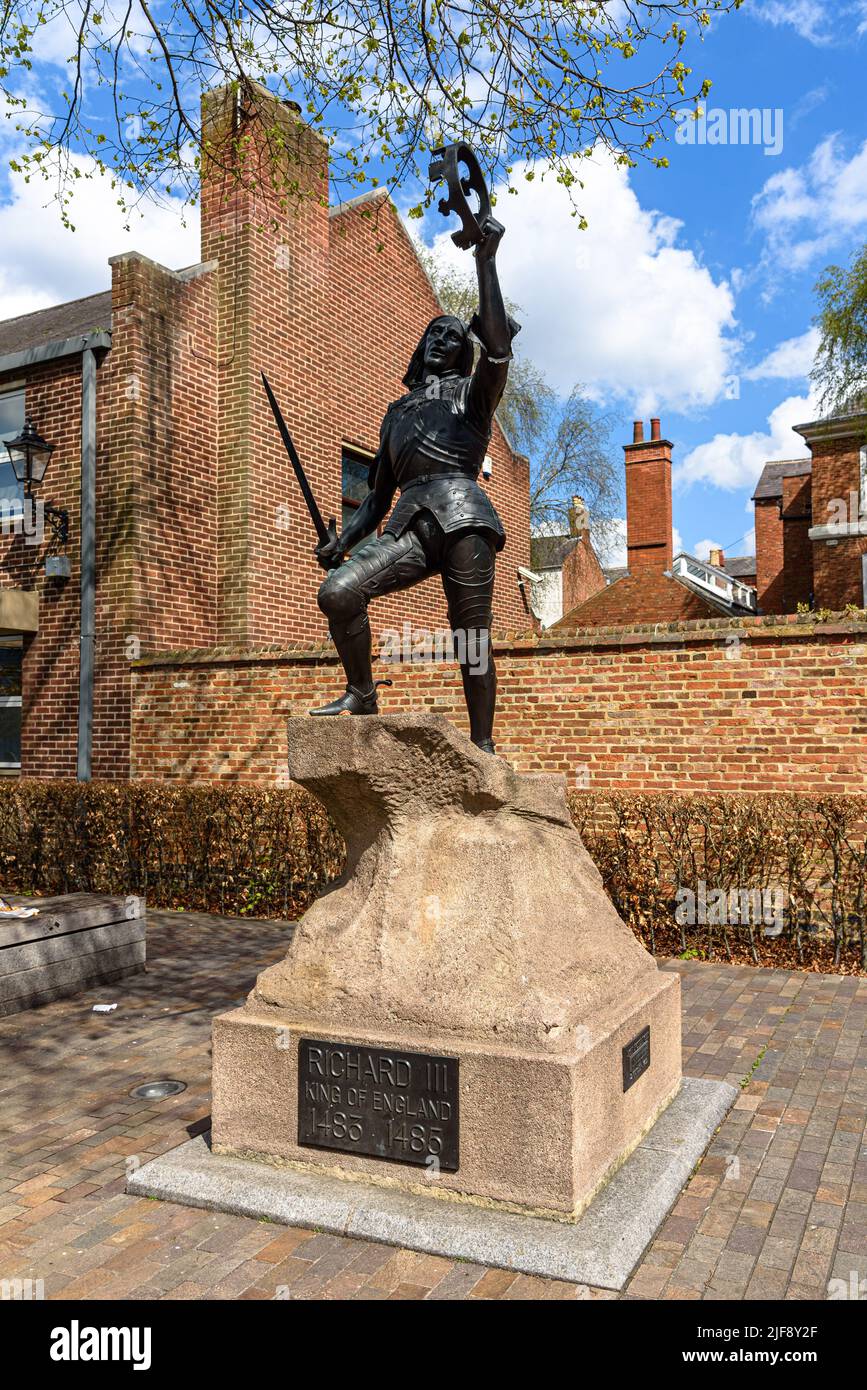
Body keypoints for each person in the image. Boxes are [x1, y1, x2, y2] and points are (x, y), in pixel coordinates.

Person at [311, 214, 517, 754]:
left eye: (453, 337)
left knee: (471, 638)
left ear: (461, 352)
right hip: (410, 520)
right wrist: (344, 543)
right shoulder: (396, 411)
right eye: (435, 333)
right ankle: (362, 691)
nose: (442, 341)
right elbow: (377, 496)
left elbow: (498, 349)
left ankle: (483, 748)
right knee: (338, 591)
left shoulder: (473, 396)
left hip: (466, 515)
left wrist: (486, 259)